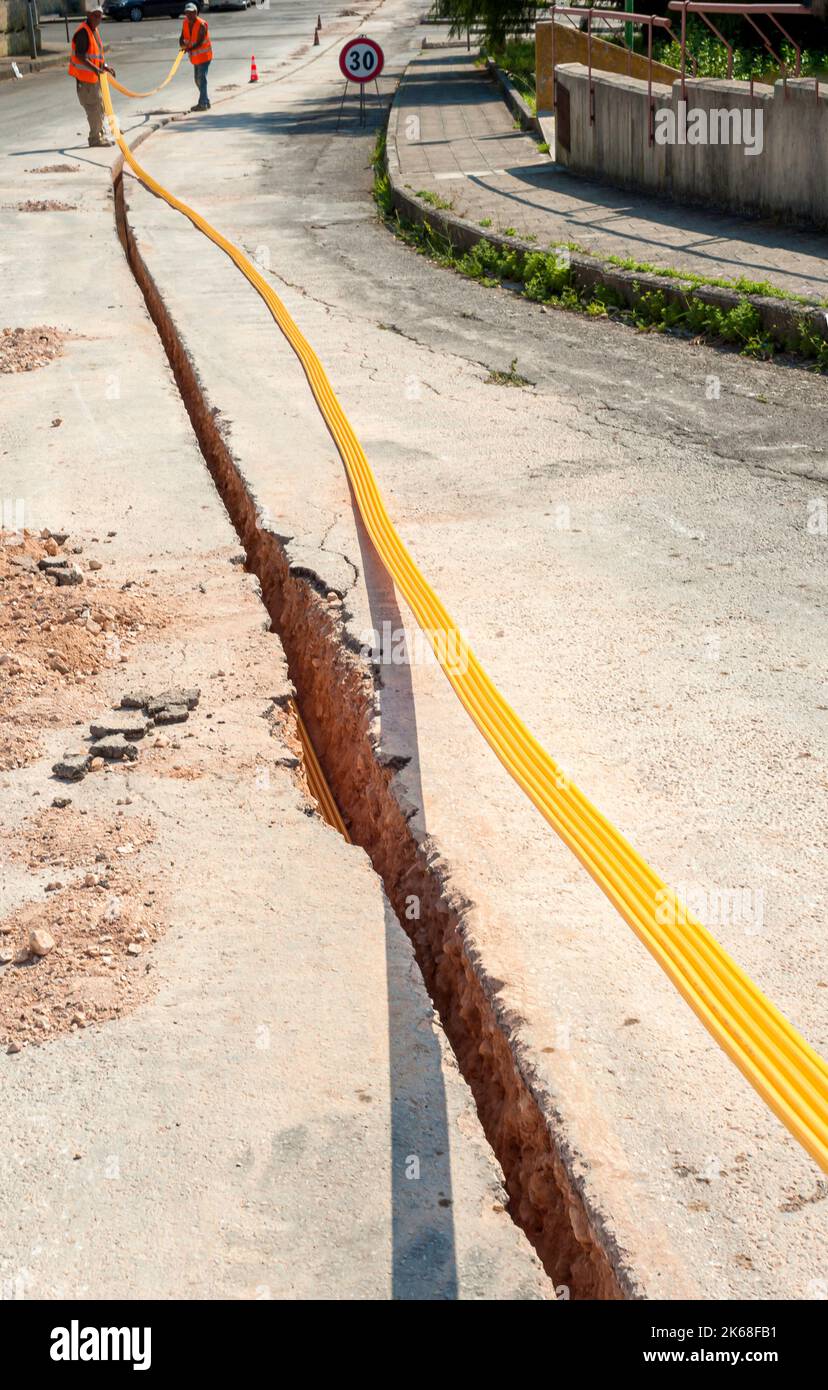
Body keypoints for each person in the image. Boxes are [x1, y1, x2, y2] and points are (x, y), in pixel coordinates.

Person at [68, 5, 117, 149]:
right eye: (96, 15)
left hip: (93, 79)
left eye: (100, 16)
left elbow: (96, 55)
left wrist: (105, 66)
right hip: (85, 80)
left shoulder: (93, 30)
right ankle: (95, 138)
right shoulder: (83, 32)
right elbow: (81, 56)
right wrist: (96, 69)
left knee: (99, 107)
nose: (98, 19)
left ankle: (99, 135)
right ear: (89, 15)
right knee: (93, 109)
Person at [179, 4, 212, 112]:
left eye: (191, 12)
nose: (189, 14)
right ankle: (205, 101)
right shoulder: (185, 23)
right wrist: (182, 45)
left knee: (201, 80)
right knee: (197, 80)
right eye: (187, 12)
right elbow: (182, 36)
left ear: (196, 13)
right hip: (195, 58)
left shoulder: (201, 24)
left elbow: (200, 41)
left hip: (204, 57)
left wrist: (189, 49)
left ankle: (202, 104)